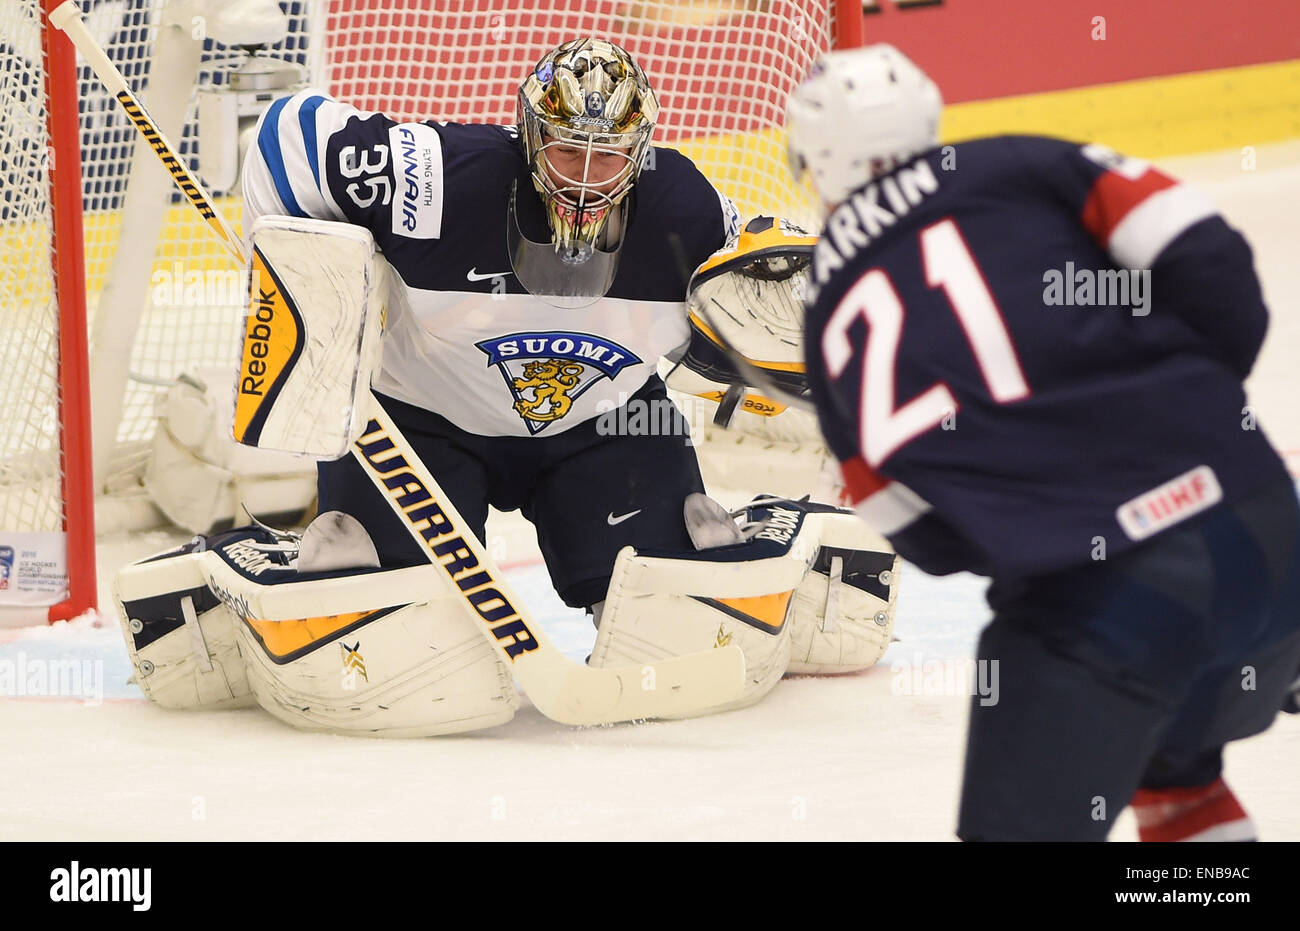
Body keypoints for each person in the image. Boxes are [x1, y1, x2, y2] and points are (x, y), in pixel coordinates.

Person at [783, 44, 1300, 840]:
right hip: (1263, 528)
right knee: (1179, 780)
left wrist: (1027, 526)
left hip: (1101, 607)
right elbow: (1210, 257)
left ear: (813, 161)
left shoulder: (828, 310)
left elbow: (906, 519)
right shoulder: (1023, 162)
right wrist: (1192, 410)